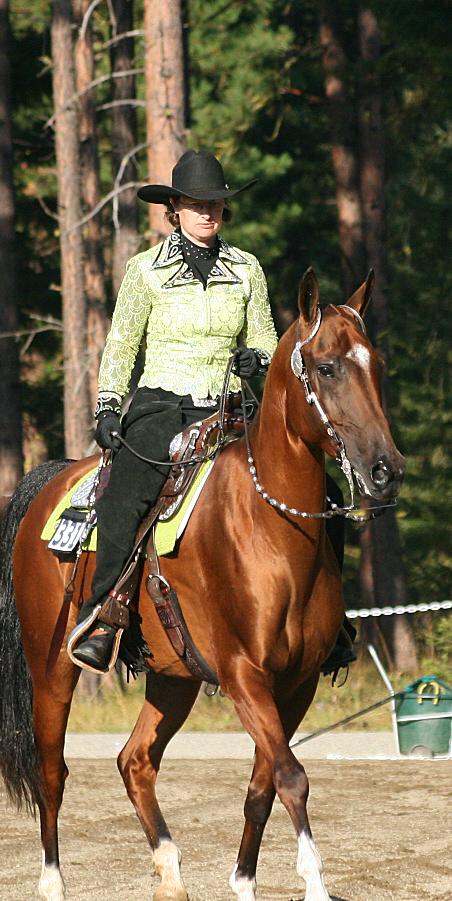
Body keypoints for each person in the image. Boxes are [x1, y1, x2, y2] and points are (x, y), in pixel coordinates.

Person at [71, 149, 277, 673]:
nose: (208, 212)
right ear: (175, 209)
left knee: (317, 484)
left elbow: (267, 339)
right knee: (129, 491)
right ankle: (105, 614)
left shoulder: (247, 269)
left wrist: (261, 359)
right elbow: (121, 344)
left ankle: (332, 621)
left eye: (217, 204)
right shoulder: (145, 271)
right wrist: (108, 406)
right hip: (164, 404)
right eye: (196, 203)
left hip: (230, 408)